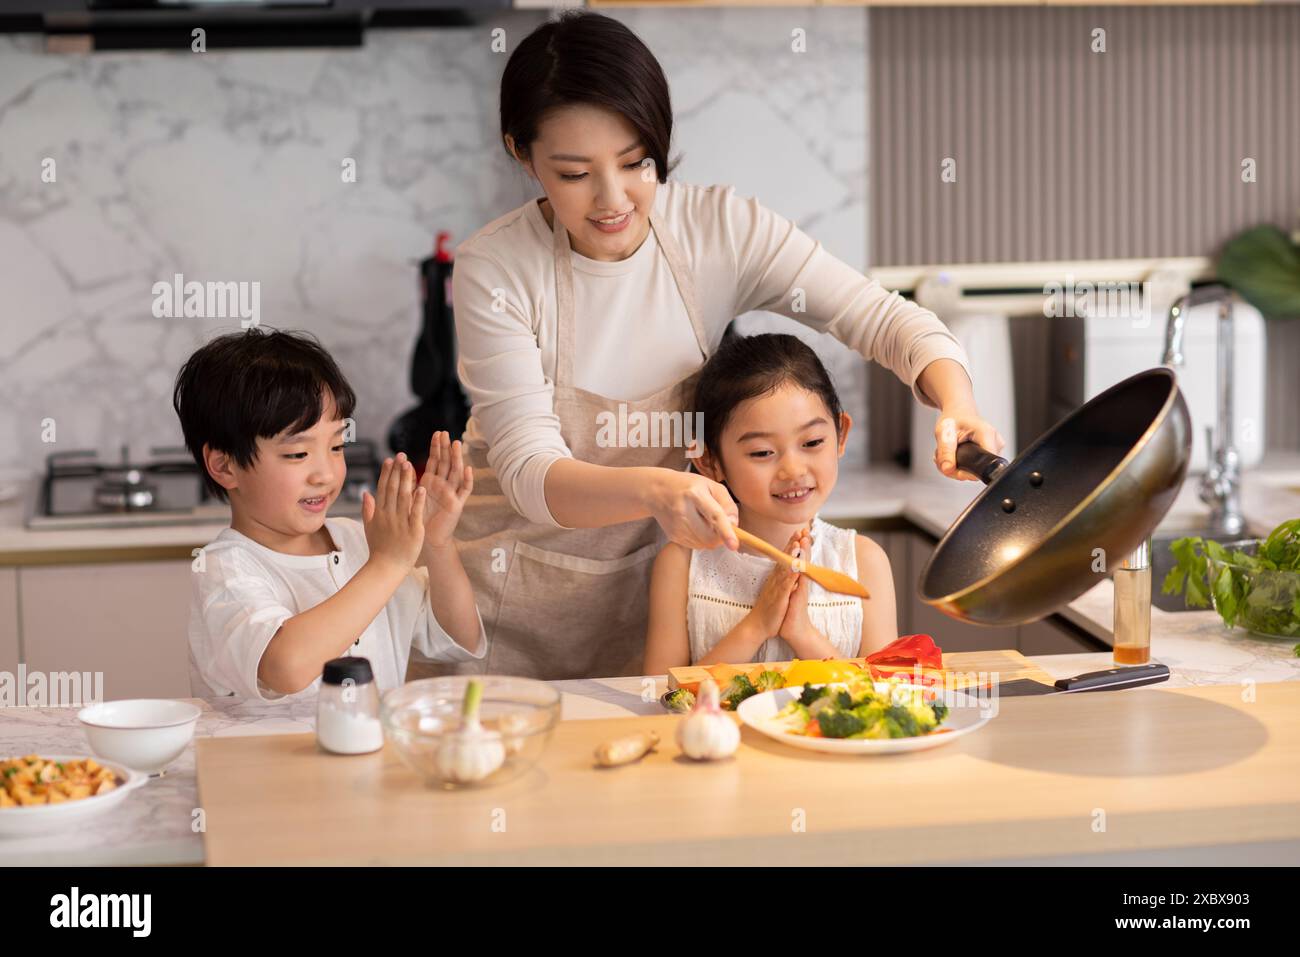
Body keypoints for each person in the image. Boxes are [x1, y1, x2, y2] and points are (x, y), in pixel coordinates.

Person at [436, 12, 1004, 681]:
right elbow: (533, 476)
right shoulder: (495, 269)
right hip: (513, 610)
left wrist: (955, 397)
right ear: (521, 153)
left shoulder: (717, 231)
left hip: (654, 599)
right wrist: (657, 491)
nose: (612, 198)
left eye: (635, 162)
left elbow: (883, 319)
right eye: (573, 173)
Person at [173, 328, 486, 701]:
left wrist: (437, 544)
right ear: (225, 466)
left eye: (336, 446)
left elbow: (459, 638)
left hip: (369, 757)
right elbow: (285, 667)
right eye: (297, 454)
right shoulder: (224, 570)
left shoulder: (359, 540)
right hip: (265, 761)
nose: (325, 474)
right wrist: (386, 564)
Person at [644, 333, 896, 672]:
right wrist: (757, 625)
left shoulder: (864, 562)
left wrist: (802, 632)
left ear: (841, 435)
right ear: (709, 461)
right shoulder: (681, 565)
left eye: (812, 442)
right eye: (762, 452)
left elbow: (885, 695)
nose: (793, 470)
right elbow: (662, 695)